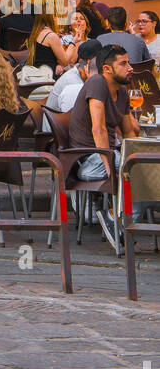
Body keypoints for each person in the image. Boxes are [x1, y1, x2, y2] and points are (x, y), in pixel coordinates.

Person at [68, 44, 139, 245]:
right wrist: (110, 168)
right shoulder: (97, 83)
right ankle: (117, 219)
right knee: (130, 166)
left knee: (143, 167)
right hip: (87, 160)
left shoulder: (123, 92)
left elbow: (127, 132)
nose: (130, 67)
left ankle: (118, 218)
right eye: (123, 63)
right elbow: (97, 129)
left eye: (129, 62)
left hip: (108, 156)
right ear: (107, 69)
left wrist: (141, 154)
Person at [45, 40, 103, 114]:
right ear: (87, 63)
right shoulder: (73, 85)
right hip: (59, 124)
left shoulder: (80, 72)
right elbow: (73, 119)